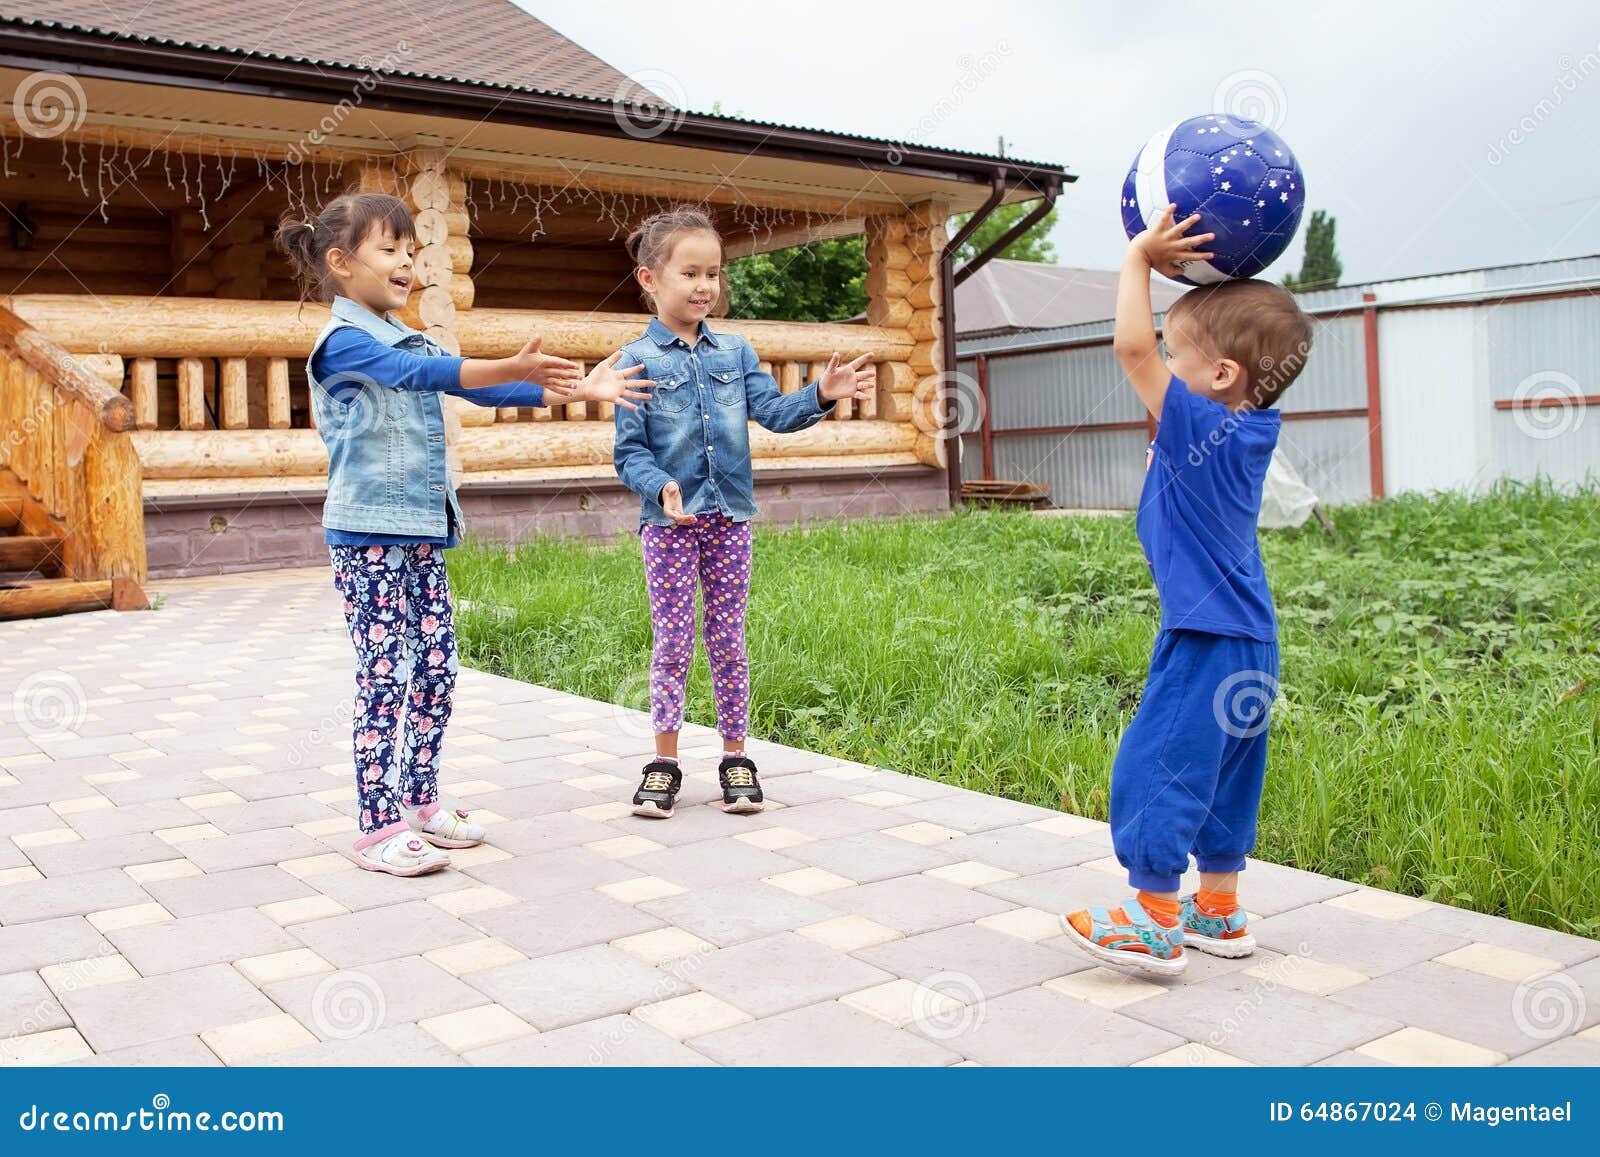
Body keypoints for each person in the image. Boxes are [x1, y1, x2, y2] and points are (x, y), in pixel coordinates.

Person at [275, 192, 652, 875]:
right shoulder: (345, 344)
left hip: (422, 529)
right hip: (367, 535)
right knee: (385, 675)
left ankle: (419, 801)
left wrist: (573, 391)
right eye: (388, 249)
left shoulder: (409, 336)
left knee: (439, 668)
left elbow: (471, 389)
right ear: (340, 262)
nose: (406, 263)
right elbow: (418, 374)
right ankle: (375, 824)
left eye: (412, 252)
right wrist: (508, 364)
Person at [1060, 205, 1313, 977]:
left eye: (1178, 355)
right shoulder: (1243, 431)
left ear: (1222, 377)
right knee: (1227, 770)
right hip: (1251, 641)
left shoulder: (1204, 429)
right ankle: (1220, 907)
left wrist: (1138, 256)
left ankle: (1154, 919)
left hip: (1203, 639)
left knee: (1160, 764)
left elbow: (1129, 345)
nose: (1160, 362)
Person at [611, 206, 875, 818]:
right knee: (673, 641)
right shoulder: (635, 360)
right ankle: (664, 764)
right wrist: (660, 490)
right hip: (669, 525)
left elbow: (777, 414)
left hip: (730, 517)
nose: (705, 286)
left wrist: (820, 395)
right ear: (650, 279)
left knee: (728, 638)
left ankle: (736, 758)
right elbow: (628, 453)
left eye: (714, 273)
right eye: (690, 273)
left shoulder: (736, 353)